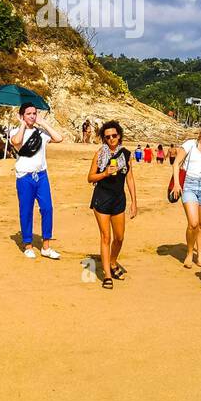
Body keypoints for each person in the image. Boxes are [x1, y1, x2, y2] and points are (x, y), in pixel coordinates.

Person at [9, 102, 64, 259]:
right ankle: (28, 245)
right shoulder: (15, 131)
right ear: (22, 116)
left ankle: (46, 246)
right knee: (26, 210)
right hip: (24, 176)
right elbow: (16, 142)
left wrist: (44, 123)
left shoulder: (41, 133)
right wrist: (21, 125)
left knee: (47, 208)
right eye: (28, 114)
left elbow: (59, 138)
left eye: (34, 113)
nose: (32, 116)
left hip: (41, 175)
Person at [86, 121, 137, 289]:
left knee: (120, 237)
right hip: (102, 198)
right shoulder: (100, 154)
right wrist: (105, 173)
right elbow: (90, 177)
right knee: (105, 237)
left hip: (118, 199)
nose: (111, 139)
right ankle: (107, 274)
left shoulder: (126, 154)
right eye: (107, 137)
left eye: (114, 136)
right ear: (104, 138)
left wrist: (134, 202)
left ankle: (113, 262)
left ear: (119, 136)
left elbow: (129, 178)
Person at [171, 122, 201, 269]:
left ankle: (200, 257)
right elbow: (176, 164)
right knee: (193, 223)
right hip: (188, 185)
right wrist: (176, 184)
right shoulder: (189, 145)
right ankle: (189, 253)